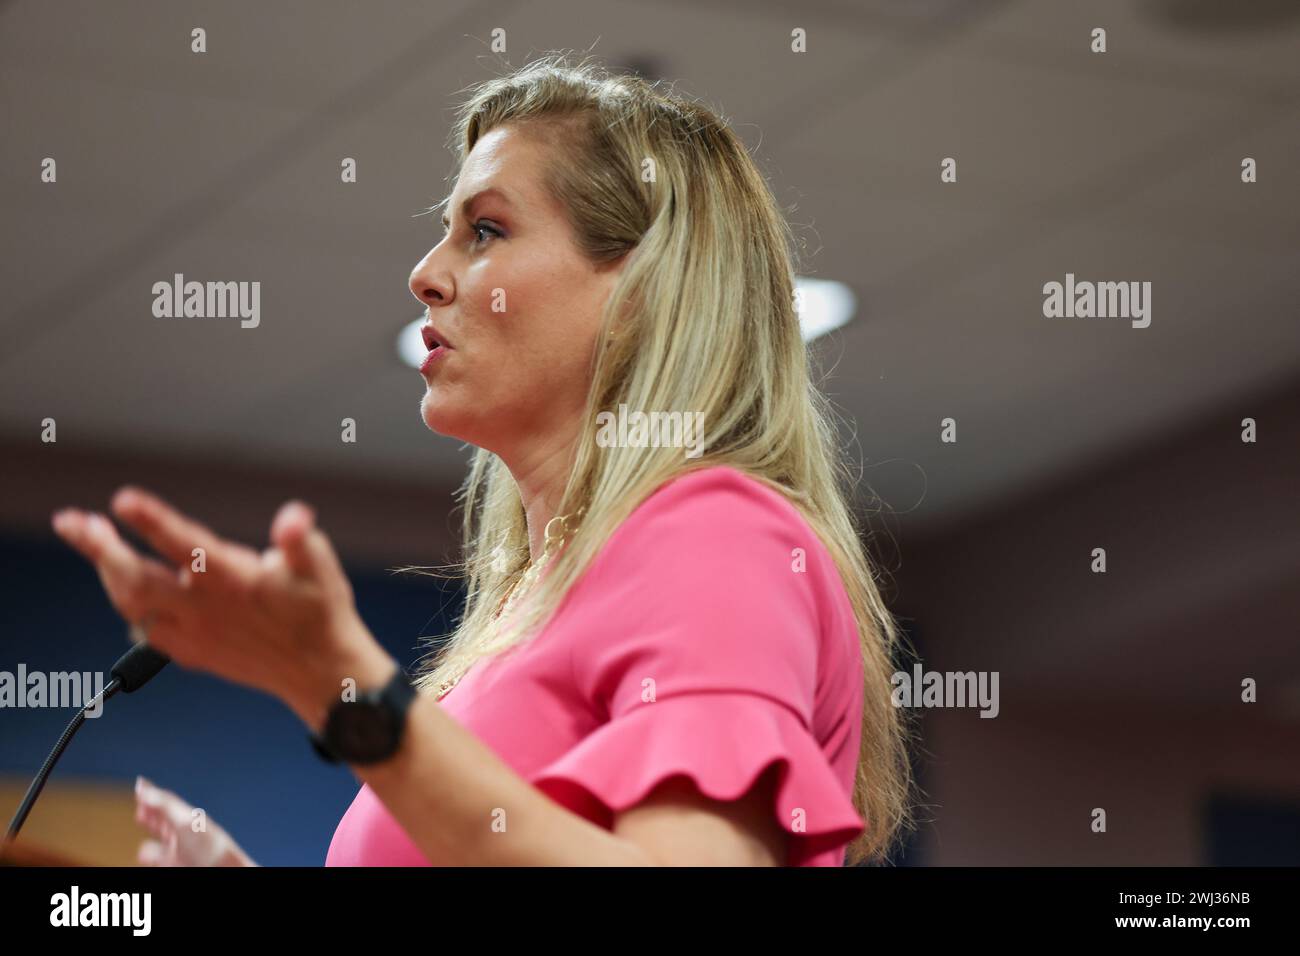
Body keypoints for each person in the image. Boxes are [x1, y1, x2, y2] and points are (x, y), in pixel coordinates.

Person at [51, 54, 914, 867]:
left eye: (487, 229)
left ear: (645, 290)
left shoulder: (718, 535)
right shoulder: (533, 612)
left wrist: (346, 693)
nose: (426, 274)